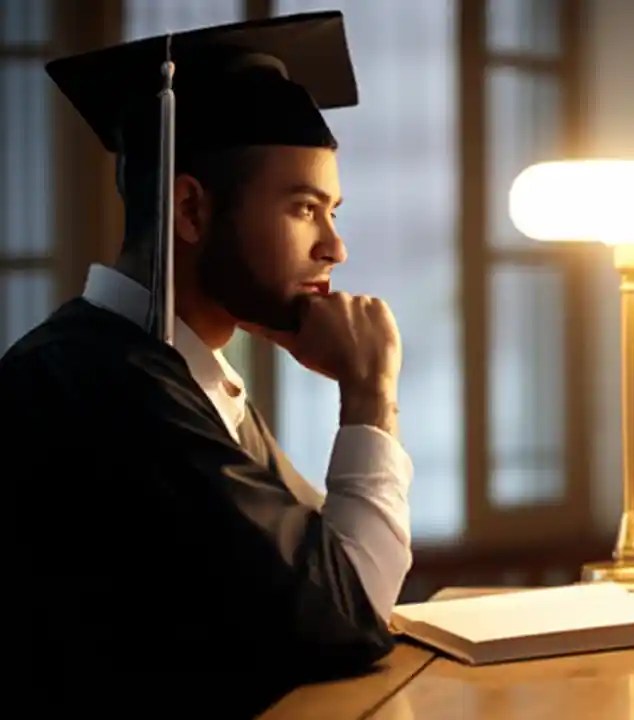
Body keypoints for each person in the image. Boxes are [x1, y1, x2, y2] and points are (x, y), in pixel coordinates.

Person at [4, 13, 414, 713]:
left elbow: (326, 574)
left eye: (333, 212)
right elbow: (344, 614)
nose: (334, 249)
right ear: (190, 210)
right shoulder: (103, 385)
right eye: (304, 208)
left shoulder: (167, 367)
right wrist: (369, 391)